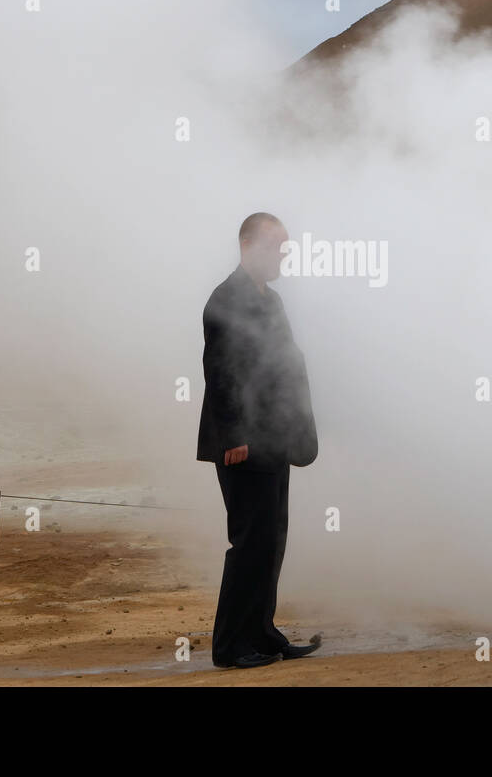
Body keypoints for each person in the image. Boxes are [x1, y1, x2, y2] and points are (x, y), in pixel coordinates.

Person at [197, 212, 321, 669]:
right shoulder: (225, 299)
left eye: (286, 247)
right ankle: (230, 647)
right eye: (277, 246)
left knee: (272, 539)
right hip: (242, 441)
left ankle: (263, 634)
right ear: (248, 244)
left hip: (274, 435)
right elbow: (221, 372)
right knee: (249, 541)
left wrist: (298, 424)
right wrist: (235, 434)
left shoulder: (273, 301)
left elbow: (287, 363)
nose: (283, 255)